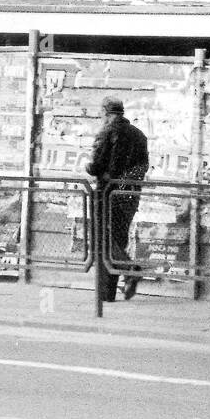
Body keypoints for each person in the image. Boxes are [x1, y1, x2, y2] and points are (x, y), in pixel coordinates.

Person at [86, 96, 149, 303]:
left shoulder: (107, 131)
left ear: (106, 112)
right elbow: (143, 166)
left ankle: (130, 270)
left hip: (108, 193)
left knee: (102, 239)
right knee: (117, 239)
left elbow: (96, 165)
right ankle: (108, 294)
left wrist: (89, 167)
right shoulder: (139, 135)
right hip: (130, 194)